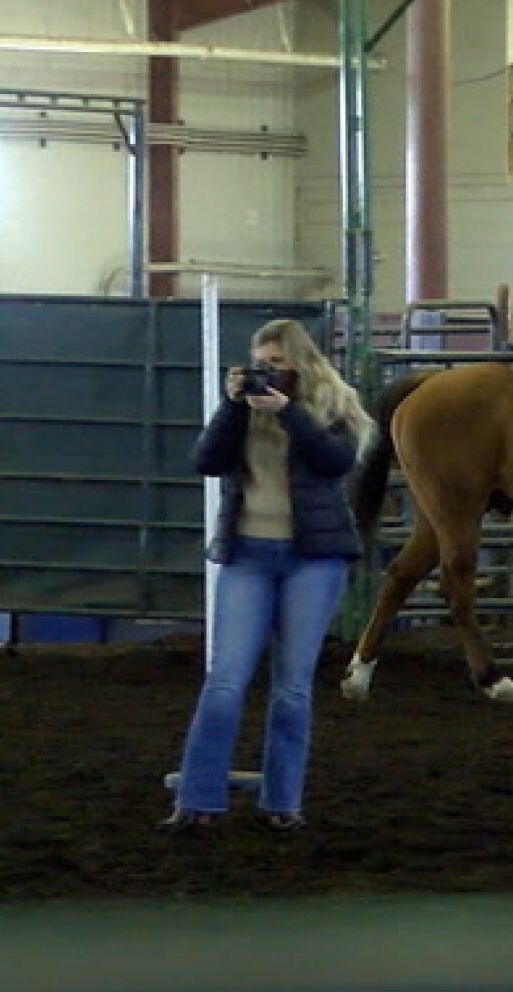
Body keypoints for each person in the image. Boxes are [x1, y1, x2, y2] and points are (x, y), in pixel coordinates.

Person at [165, 319, 373, 834]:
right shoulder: (243, 411)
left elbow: (335, 462)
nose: (267, 374)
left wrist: (291, 415)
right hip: (248, 555)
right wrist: (233, 405)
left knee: (292, 686)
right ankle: (198, 798)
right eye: (260, 364)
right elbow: (206, 461)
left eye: (277, 364)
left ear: (299, 363)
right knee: (226, 679)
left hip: (314, 558)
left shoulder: (333, 404)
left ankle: (282, 801)